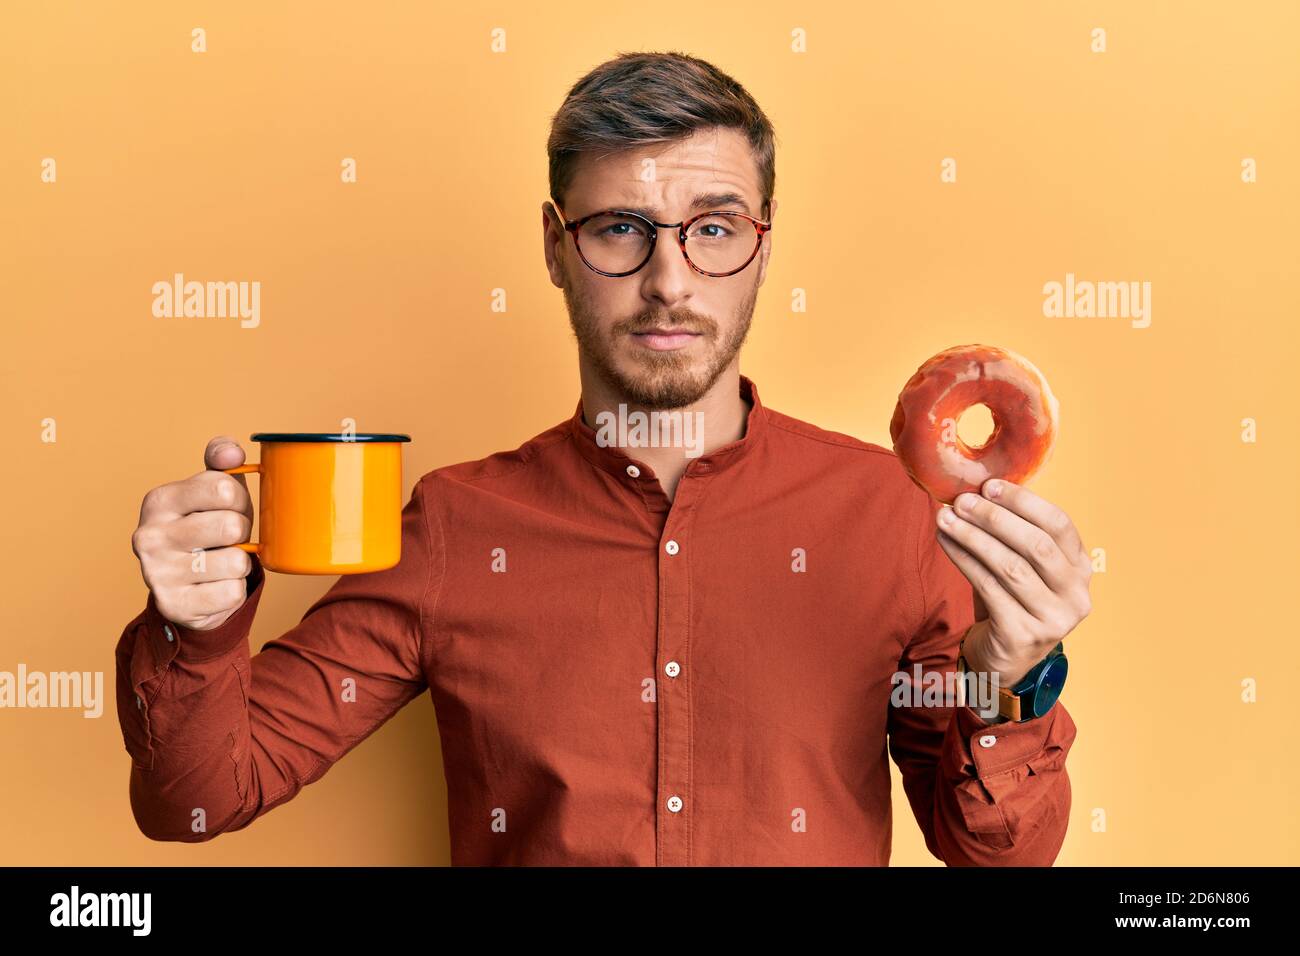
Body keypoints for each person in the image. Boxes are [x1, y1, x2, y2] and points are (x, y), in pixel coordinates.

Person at [116, 51, 1091, 866]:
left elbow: (994, 854)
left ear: (761, 244)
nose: (669, 281)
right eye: (620, 228)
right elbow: (198, 797)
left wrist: (1013, 669)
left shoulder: (884, 514)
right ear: (553, 244)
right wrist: (193, 628)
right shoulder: (457, 526)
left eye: (712, 228)